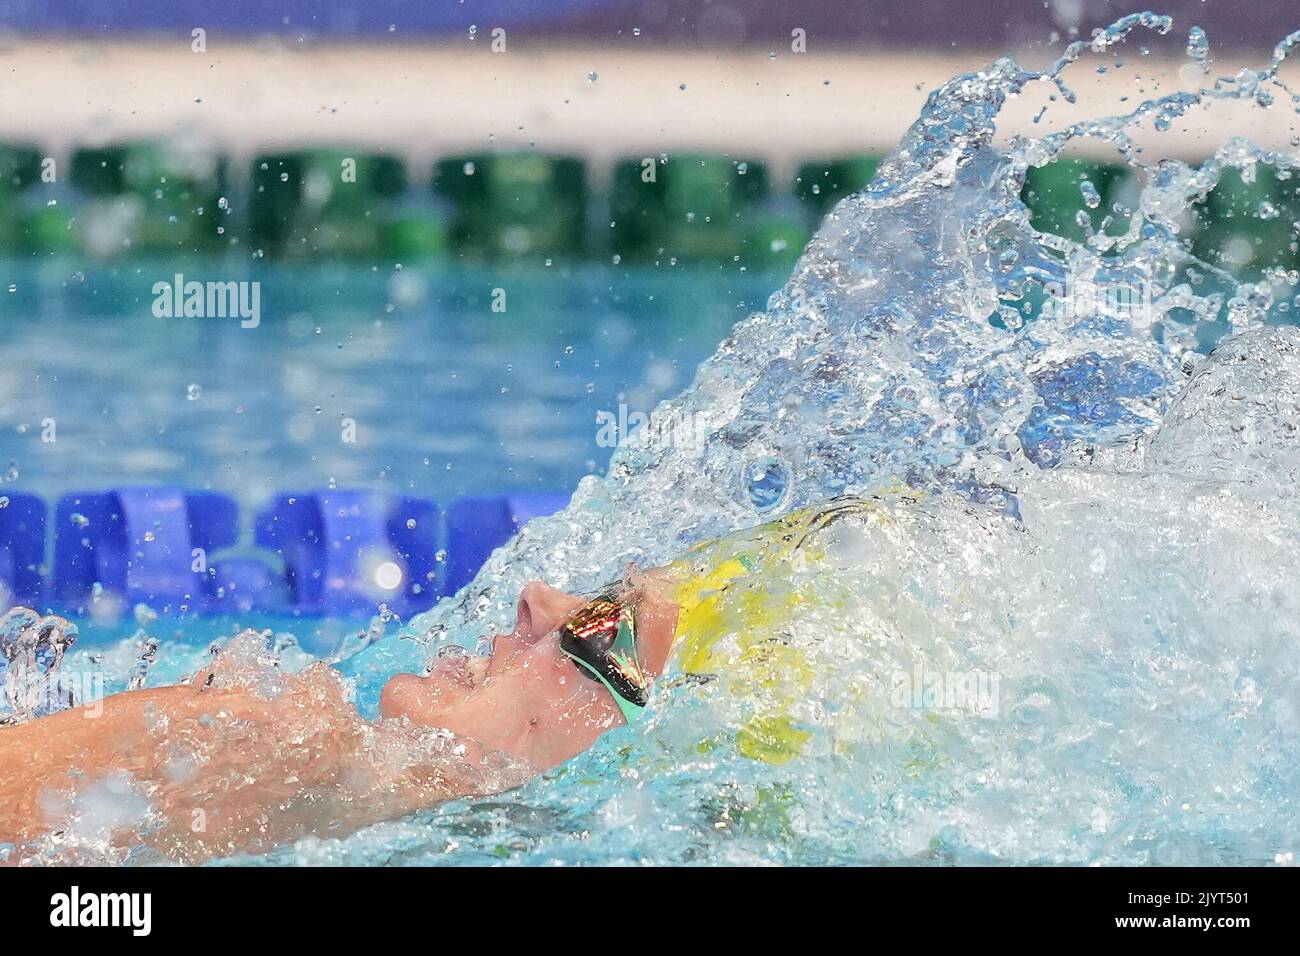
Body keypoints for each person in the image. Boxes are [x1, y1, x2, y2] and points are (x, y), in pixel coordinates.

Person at [0, 496, 886, 863]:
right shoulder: (289, 746)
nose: (538, 597)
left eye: (599, 624)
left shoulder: (283, 741)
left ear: (635, 745)